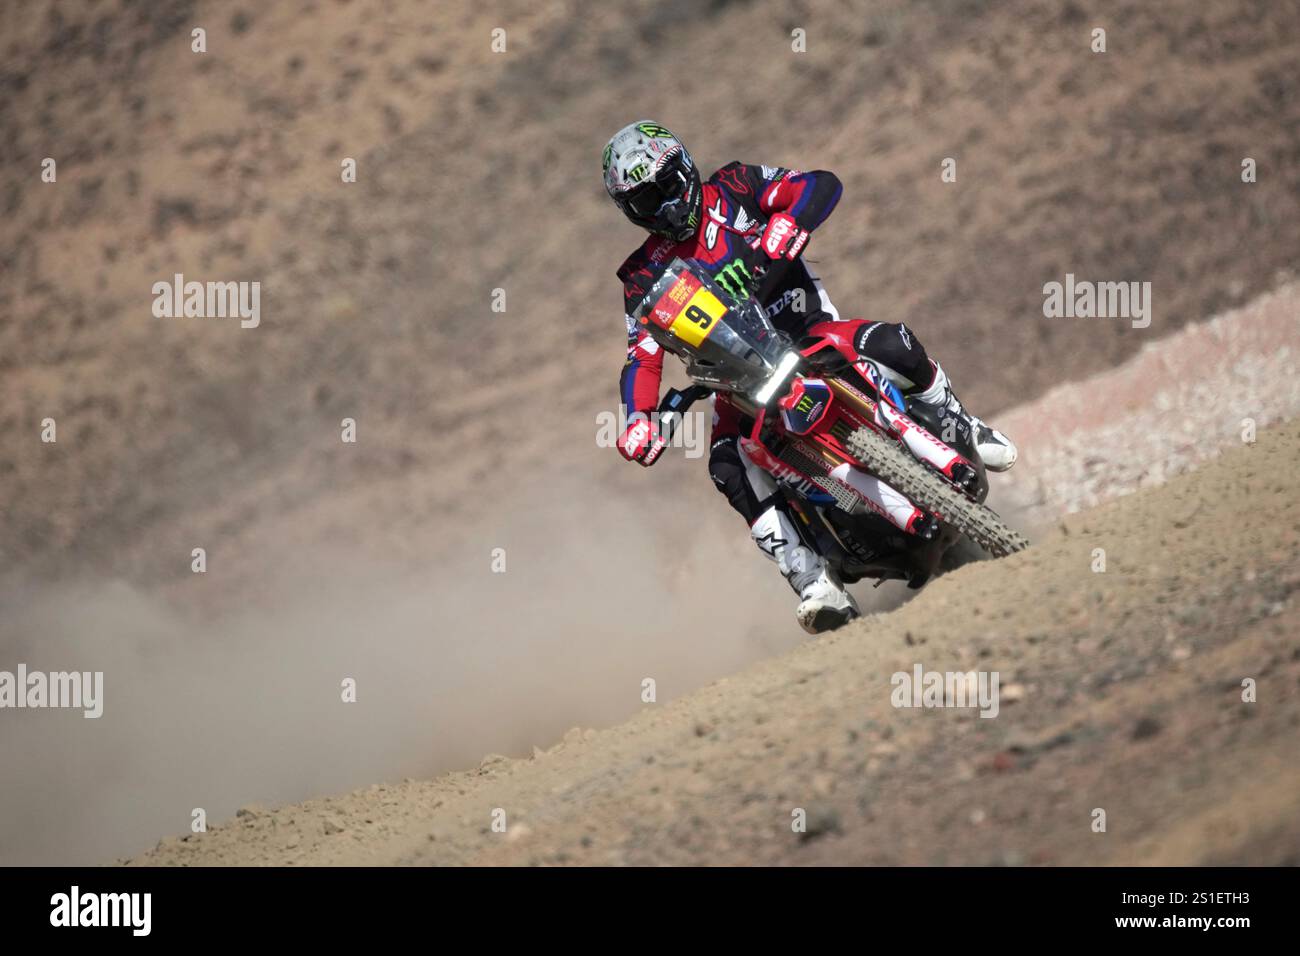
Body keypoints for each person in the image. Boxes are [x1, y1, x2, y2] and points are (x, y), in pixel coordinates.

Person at [604, 120, 1017, 634]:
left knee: (895, 342)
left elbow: (819, 184)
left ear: (684, 168)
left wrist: (791, 220)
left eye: (665, 188)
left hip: (811, 333)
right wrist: (639, 418)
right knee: (725, 466)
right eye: (646, 203)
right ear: (630, 214)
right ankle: (812, 579)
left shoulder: (736, 186)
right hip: (735, 385)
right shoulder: (643, 276)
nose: (665, 207)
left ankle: (964, 422)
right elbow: (641, 355)